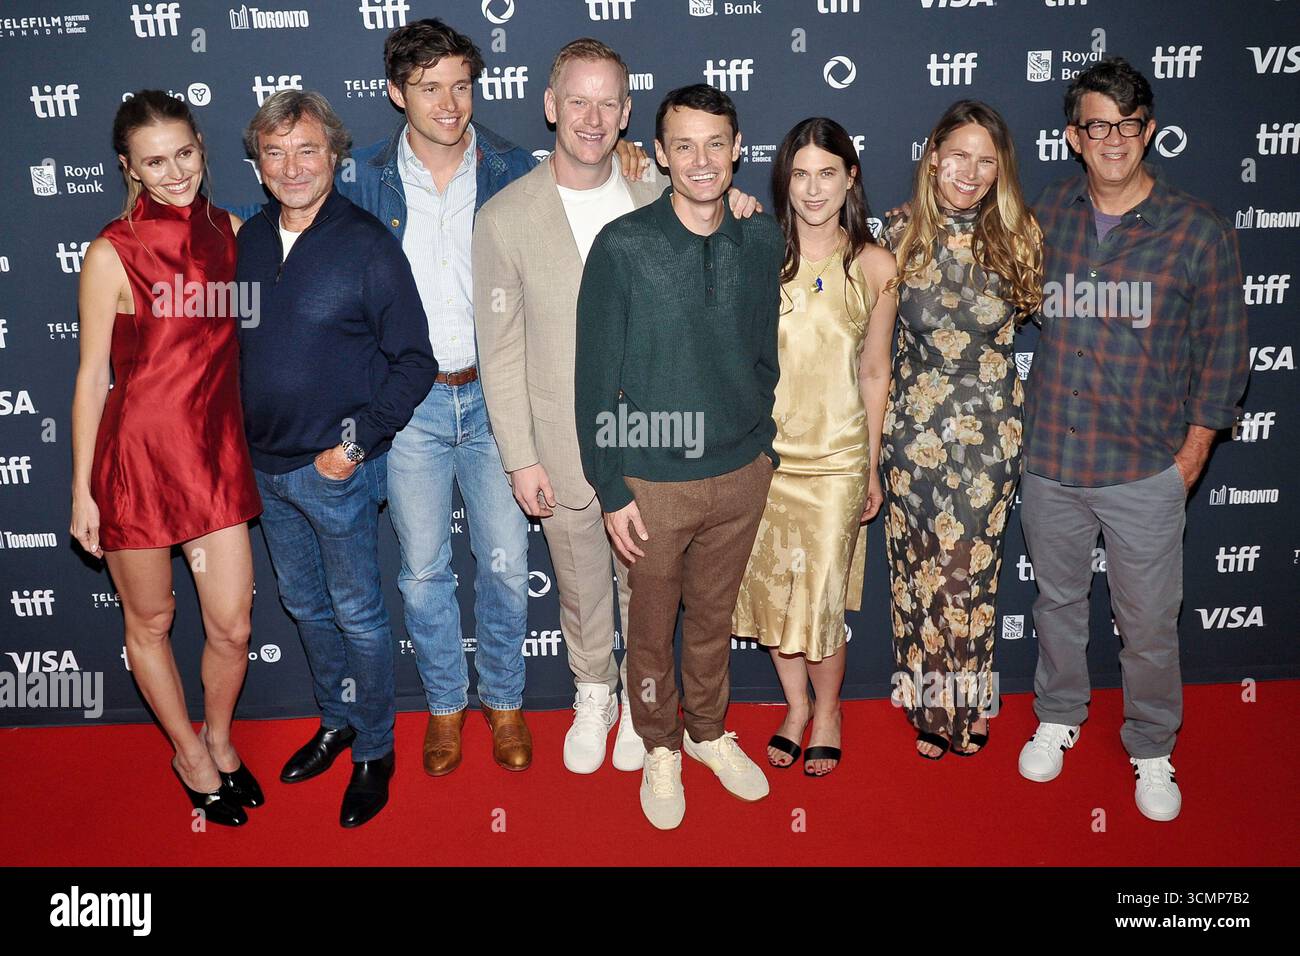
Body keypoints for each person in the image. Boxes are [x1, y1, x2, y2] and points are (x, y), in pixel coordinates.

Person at [337, 19, 647, 776]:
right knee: (421, 571)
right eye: (429, 87)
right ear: (395, 93)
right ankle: (447, 707)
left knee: (508, 564)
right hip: (409, 403)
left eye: (461, 86)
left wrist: (647, 165)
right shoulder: (365, 179)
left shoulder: (510, 168)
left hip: (497, 398)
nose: (449, 103)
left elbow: (594, 176)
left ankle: (505, 702)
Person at [474, 39, 759, 775]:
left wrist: (737, 205)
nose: (593, 118)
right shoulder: (507, 216)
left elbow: (722, 242)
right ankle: (594, 691)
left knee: (649, 590)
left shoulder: (655, 194)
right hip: (558, 441)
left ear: (629, 115)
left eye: (609, 102)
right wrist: (520, 455)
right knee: (579, 584)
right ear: (550, 106)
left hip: (652, 442)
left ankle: (645, 701)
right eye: (578, 100)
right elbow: (498, 348)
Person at [1017, 57, 1248, 822]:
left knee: (1149, 623)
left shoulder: (1197, 230)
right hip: (1052, 457)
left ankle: (1152, 747)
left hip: (1145, 465)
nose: (1111, 138)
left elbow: (1223, 353)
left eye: (1126, 124)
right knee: (1057, 603)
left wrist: (1193, 454)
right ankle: (1059, 715)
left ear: (1147, 131)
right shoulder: (1044, 212)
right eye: (1095, 125)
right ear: (1073, 137)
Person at [576, 84, 784, 829]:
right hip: (651, 480)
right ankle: (660, 744)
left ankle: (706, 733)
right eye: (684, 145)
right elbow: (594, 379)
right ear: (660, 154)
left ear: (737, 151)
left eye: (716, 143)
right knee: (652, 631)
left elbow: (766, 356)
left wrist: (760, 453)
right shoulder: (623, 245)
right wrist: (610, 485)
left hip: (740, 476)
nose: (702, 160)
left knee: (712, 621)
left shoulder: (763, 240)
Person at [236, 90, 438, 828]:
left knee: (357, 614)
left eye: (308, 150)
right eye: (276, 152)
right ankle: (337, 721)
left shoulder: (366, 244)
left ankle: (376, 750)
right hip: (264, 470)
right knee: (305, 607)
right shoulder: (249, 241)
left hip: (333, 475)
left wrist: (352, 449)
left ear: (335, 156)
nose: (292, 166)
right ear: (258, 164)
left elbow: (414, 361)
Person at [70, 90, 264, 827]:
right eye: (155, 160)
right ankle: (186, 751)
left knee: (232, 628)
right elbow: (92, 377)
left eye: (185, 153)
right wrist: (84, 490)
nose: (175, 171)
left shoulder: (233, 231)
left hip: (213, 460)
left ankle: (219, 735)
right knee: (149, 622)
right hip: (138, 461)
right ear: (129, 168)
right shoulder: (111, 250)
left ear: (202, 148)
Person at [732, 117, 897, 777]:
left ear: (850, 176)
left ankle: (828, 711)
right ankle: (795, 707)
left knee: (821, 598)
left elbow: (876, 370)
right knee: (775, 597)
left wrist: (872, 463)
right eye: (798, 174)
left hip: (835, 461)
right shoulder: (758, 251)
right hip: (765, 461)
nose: (812, 187)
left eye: (826, 172)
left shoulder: (875, 265)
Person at [882, 100, 1043, 760]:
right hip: (910, 432)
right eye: (959, 156)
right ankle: (925, 702)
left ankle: (969, 702)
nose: (970, 172)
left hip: (988, 437)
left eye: (986, 160)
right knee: (914, 571)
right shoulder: (897, 234)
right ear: (932, 157)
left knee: (967, 573)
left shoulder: (1020, 235)